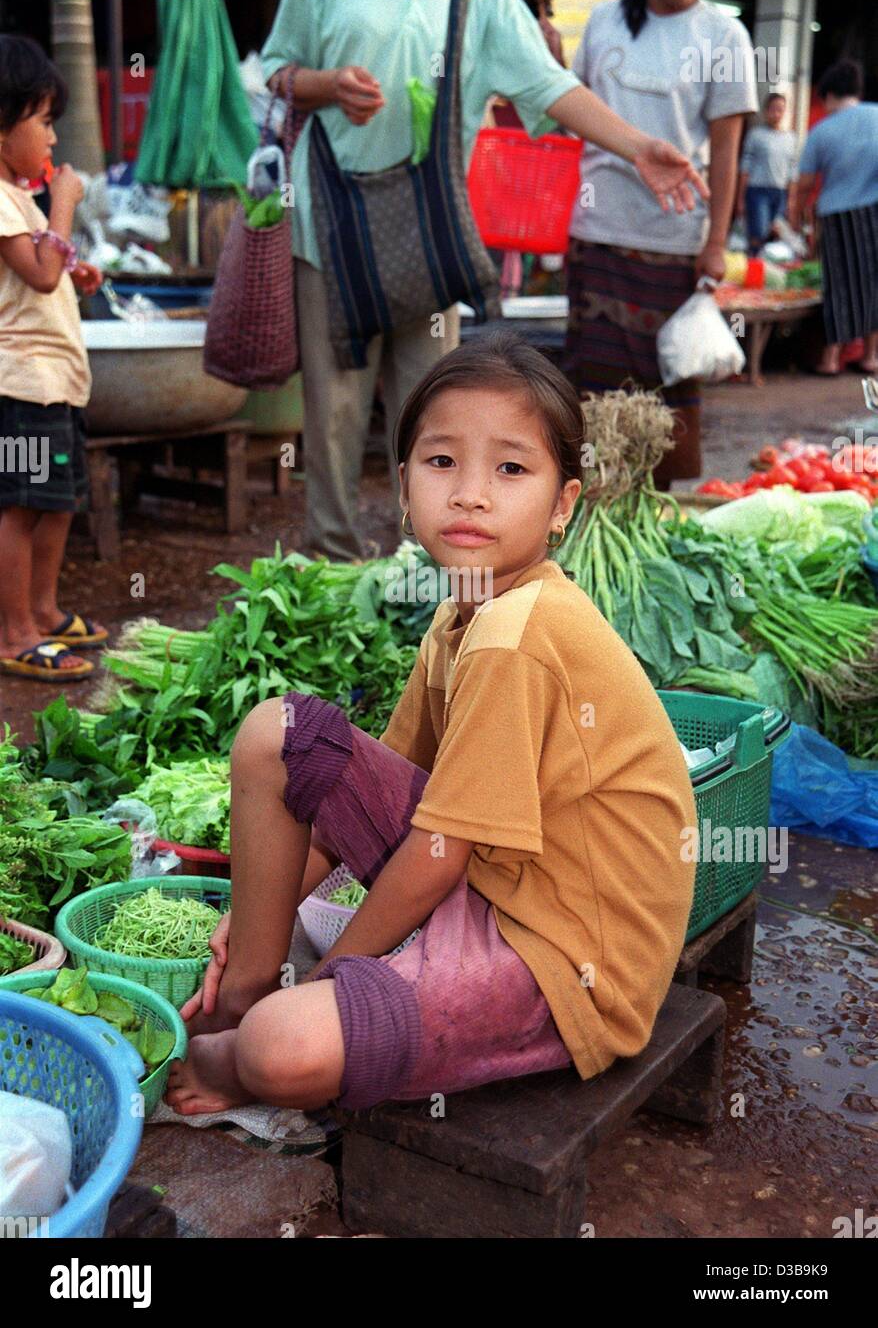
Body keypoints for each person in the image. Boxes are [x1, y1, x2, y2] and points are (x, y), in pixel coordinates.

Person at [166, 334, 697, 1117]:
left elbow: (435, 855)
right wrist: (254, 923)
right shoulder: (462, 613)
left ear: (562, 506)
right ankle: (244, 985)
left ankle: (253, 1039)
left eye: (511, 469)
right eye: (442, 462)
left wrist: (327, 979)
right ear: (405, 481)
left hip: (568, 958)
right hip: (494, 878)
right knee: (277, 736)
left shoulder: (517, 633)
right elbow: (363, 800)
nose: (472, 494)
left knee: (281, 1047)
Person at [260, 0, 707, 563]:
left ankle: (421, 574)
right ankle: (330, 562)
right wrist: (327, 85)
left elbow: (552, 88)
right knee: (335, 414)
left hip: (430, 237)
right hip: (331, 227)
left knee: (436, 418)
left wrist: (638, 148)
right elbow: (278, 71)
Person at [560, 0, 758, 488]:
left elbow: (725, 150)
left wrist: (715, 242)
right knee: (592, 396)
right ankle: (588, 513)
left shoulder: (724, 35)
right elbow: (574, 113)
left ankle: (655, 522)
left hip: (675, 241)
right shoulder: (604, 22)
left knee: (664, 401)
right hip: (598, 236)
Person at [0, 35, 106, 683]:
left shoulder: (18, 199)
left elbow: (46, 272)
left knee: (58, 501)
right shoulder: (5, 199)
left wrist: (76, 272)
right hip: (20, 384)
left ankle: (40, 609)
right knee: (19, 503)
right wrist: (62, 205)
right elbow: (38, 276)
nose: (52, 139)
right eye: (42, 121)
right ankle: (12, 632)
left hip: (56, 382)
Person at [790, 59, 878, 377]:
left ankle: (829, 359)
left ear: (828, 96)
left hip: (838, 217)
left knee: (840, 285)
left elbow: (804, 185)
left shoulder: (822, 131)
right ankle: (871, 357)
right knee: (873, 283)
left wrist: (794, 217)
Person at [736, 91, 798, 256]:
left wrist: (791, 200)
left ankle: (768, 271)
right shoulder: (756, 135)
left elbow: (793, 172)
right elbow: (745, 167)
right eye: (773, 109)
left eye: (780, 109)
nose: (776, 113)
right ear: (765, 111)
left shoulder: (791, 138)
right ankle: (754, 265)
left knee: (777, 232)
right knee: (758, 231)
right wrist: (740, 199)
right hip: (758, 190)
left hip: (780, 192)